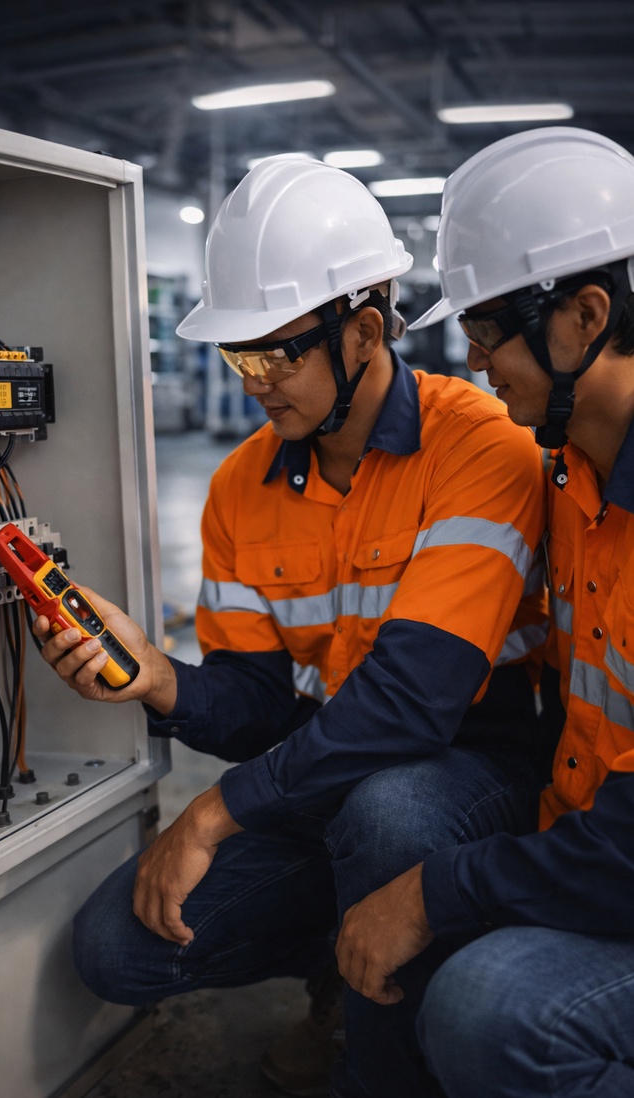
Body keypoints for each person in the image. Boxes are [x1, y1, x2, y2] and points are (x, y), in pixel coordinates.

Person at [34, 155, 549, 1098]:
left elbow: (413, 706)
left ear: (362, 331)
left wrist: (217, 810)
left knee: (393, 809)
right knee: (118, 949)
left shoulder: (482, 445)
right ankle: (350, 973)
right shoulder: (240, 485)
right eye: (243, 356)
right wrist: (155, 677)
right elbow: (262, 705)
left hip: (476, 777)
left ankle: (385, 1058)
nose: (257, 384)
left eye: (277, 354)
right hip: (329, 777)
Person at [335, 126, 634, 1098]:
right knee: (399, 817)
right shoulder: (567, 474)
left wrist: (439, 893)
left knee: (491, 1008)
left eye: (489, 329)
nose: (470, 355)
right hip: (589, 837)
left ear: (585, 316)